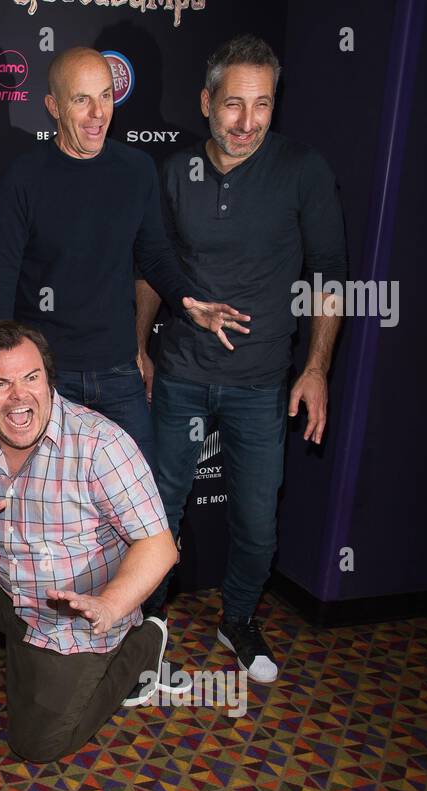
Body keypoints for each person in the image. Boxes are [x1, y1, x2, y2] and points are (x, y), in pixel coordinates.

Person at [138, 35, 347, 684]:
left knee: (257, 523)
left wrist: (315, 368)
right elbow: (152, 269)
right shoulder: (174, 172)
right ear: (206, 102)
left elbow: (329, 277)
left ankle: (238, 618)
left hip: (262, 385)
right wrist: (137, 346)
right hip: (180, 374)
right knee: (158, 514)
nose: (247, 121)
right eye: (233, 104)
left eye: (262, 105)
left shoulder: (302, 169)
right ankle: (148, 634)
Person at [0, 322, 178, 762]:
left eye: (31, 377)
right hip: (5, 585)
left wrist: (111, 605)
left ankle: (142, 647)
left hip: (77, 613)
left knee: (38, 745)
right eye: (0, 383)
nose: (21, 396)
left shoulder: (100, 443)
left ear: (48, 379)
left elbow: (159, 545)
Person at [0, 46, 247, 471]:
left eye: (105, 96)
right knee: (53, 510)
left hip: (119, 371)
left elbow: (155, 255)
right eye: (81, 100)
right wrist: (1, 379)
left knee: (142, 508)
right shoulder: (23, 178)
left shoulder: (136, 169)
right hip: (46, 379)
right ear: (52, 106)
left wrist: (190, 301)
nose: (97, 113)